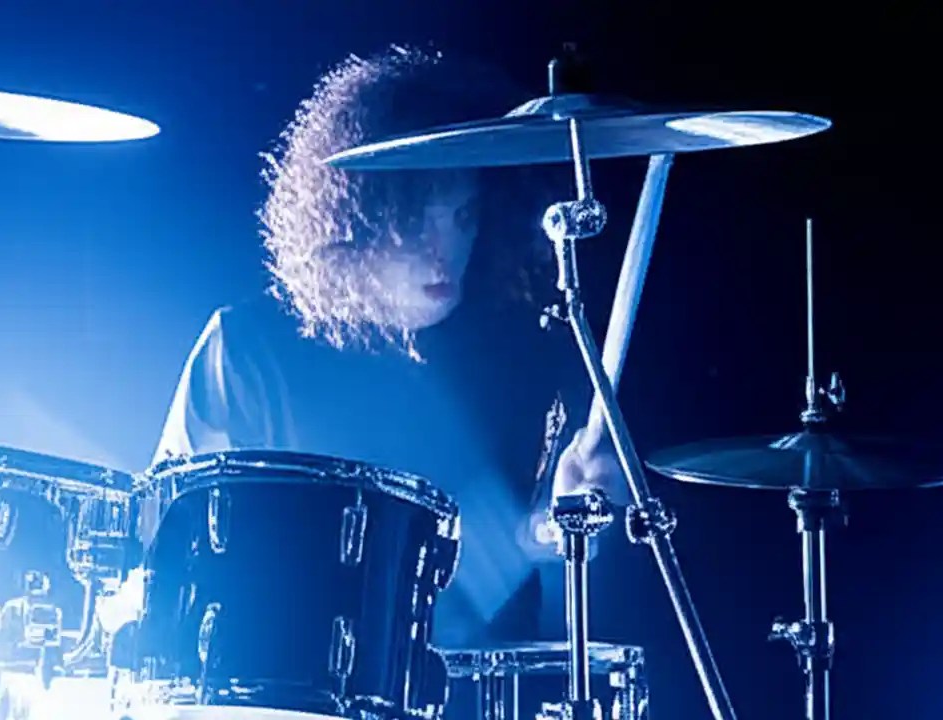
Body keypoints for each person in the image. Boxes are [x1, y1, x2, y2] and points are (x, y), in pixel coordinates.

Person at [150, 45, 626, 646]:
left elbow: (553, 628)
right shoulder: (247, 351)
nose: (443, 251)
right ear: (356, 218)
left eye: (463, 217)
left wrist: (574, 536)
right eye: (415, 220)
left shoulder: (526, 355)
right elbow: (169, 561)